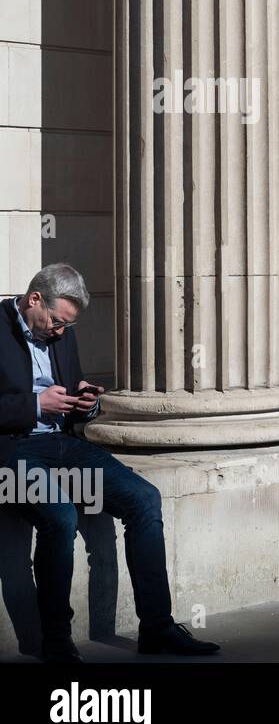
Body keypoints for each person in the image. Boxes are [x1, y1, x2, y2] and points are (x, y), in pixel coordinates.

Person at [0, 263, 220, 662]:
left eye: (67, 324)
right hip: (9, 453)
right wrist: (33, 404)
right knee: (60, 515)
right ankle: (55, 640)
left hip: (62, 445)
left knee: (143, 499)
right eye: (55, 321)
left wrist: (88, 402)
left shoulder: (61, 334)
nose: (60, 332)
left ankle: (157, 626)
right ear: (34, 299)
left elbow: (75, 404)